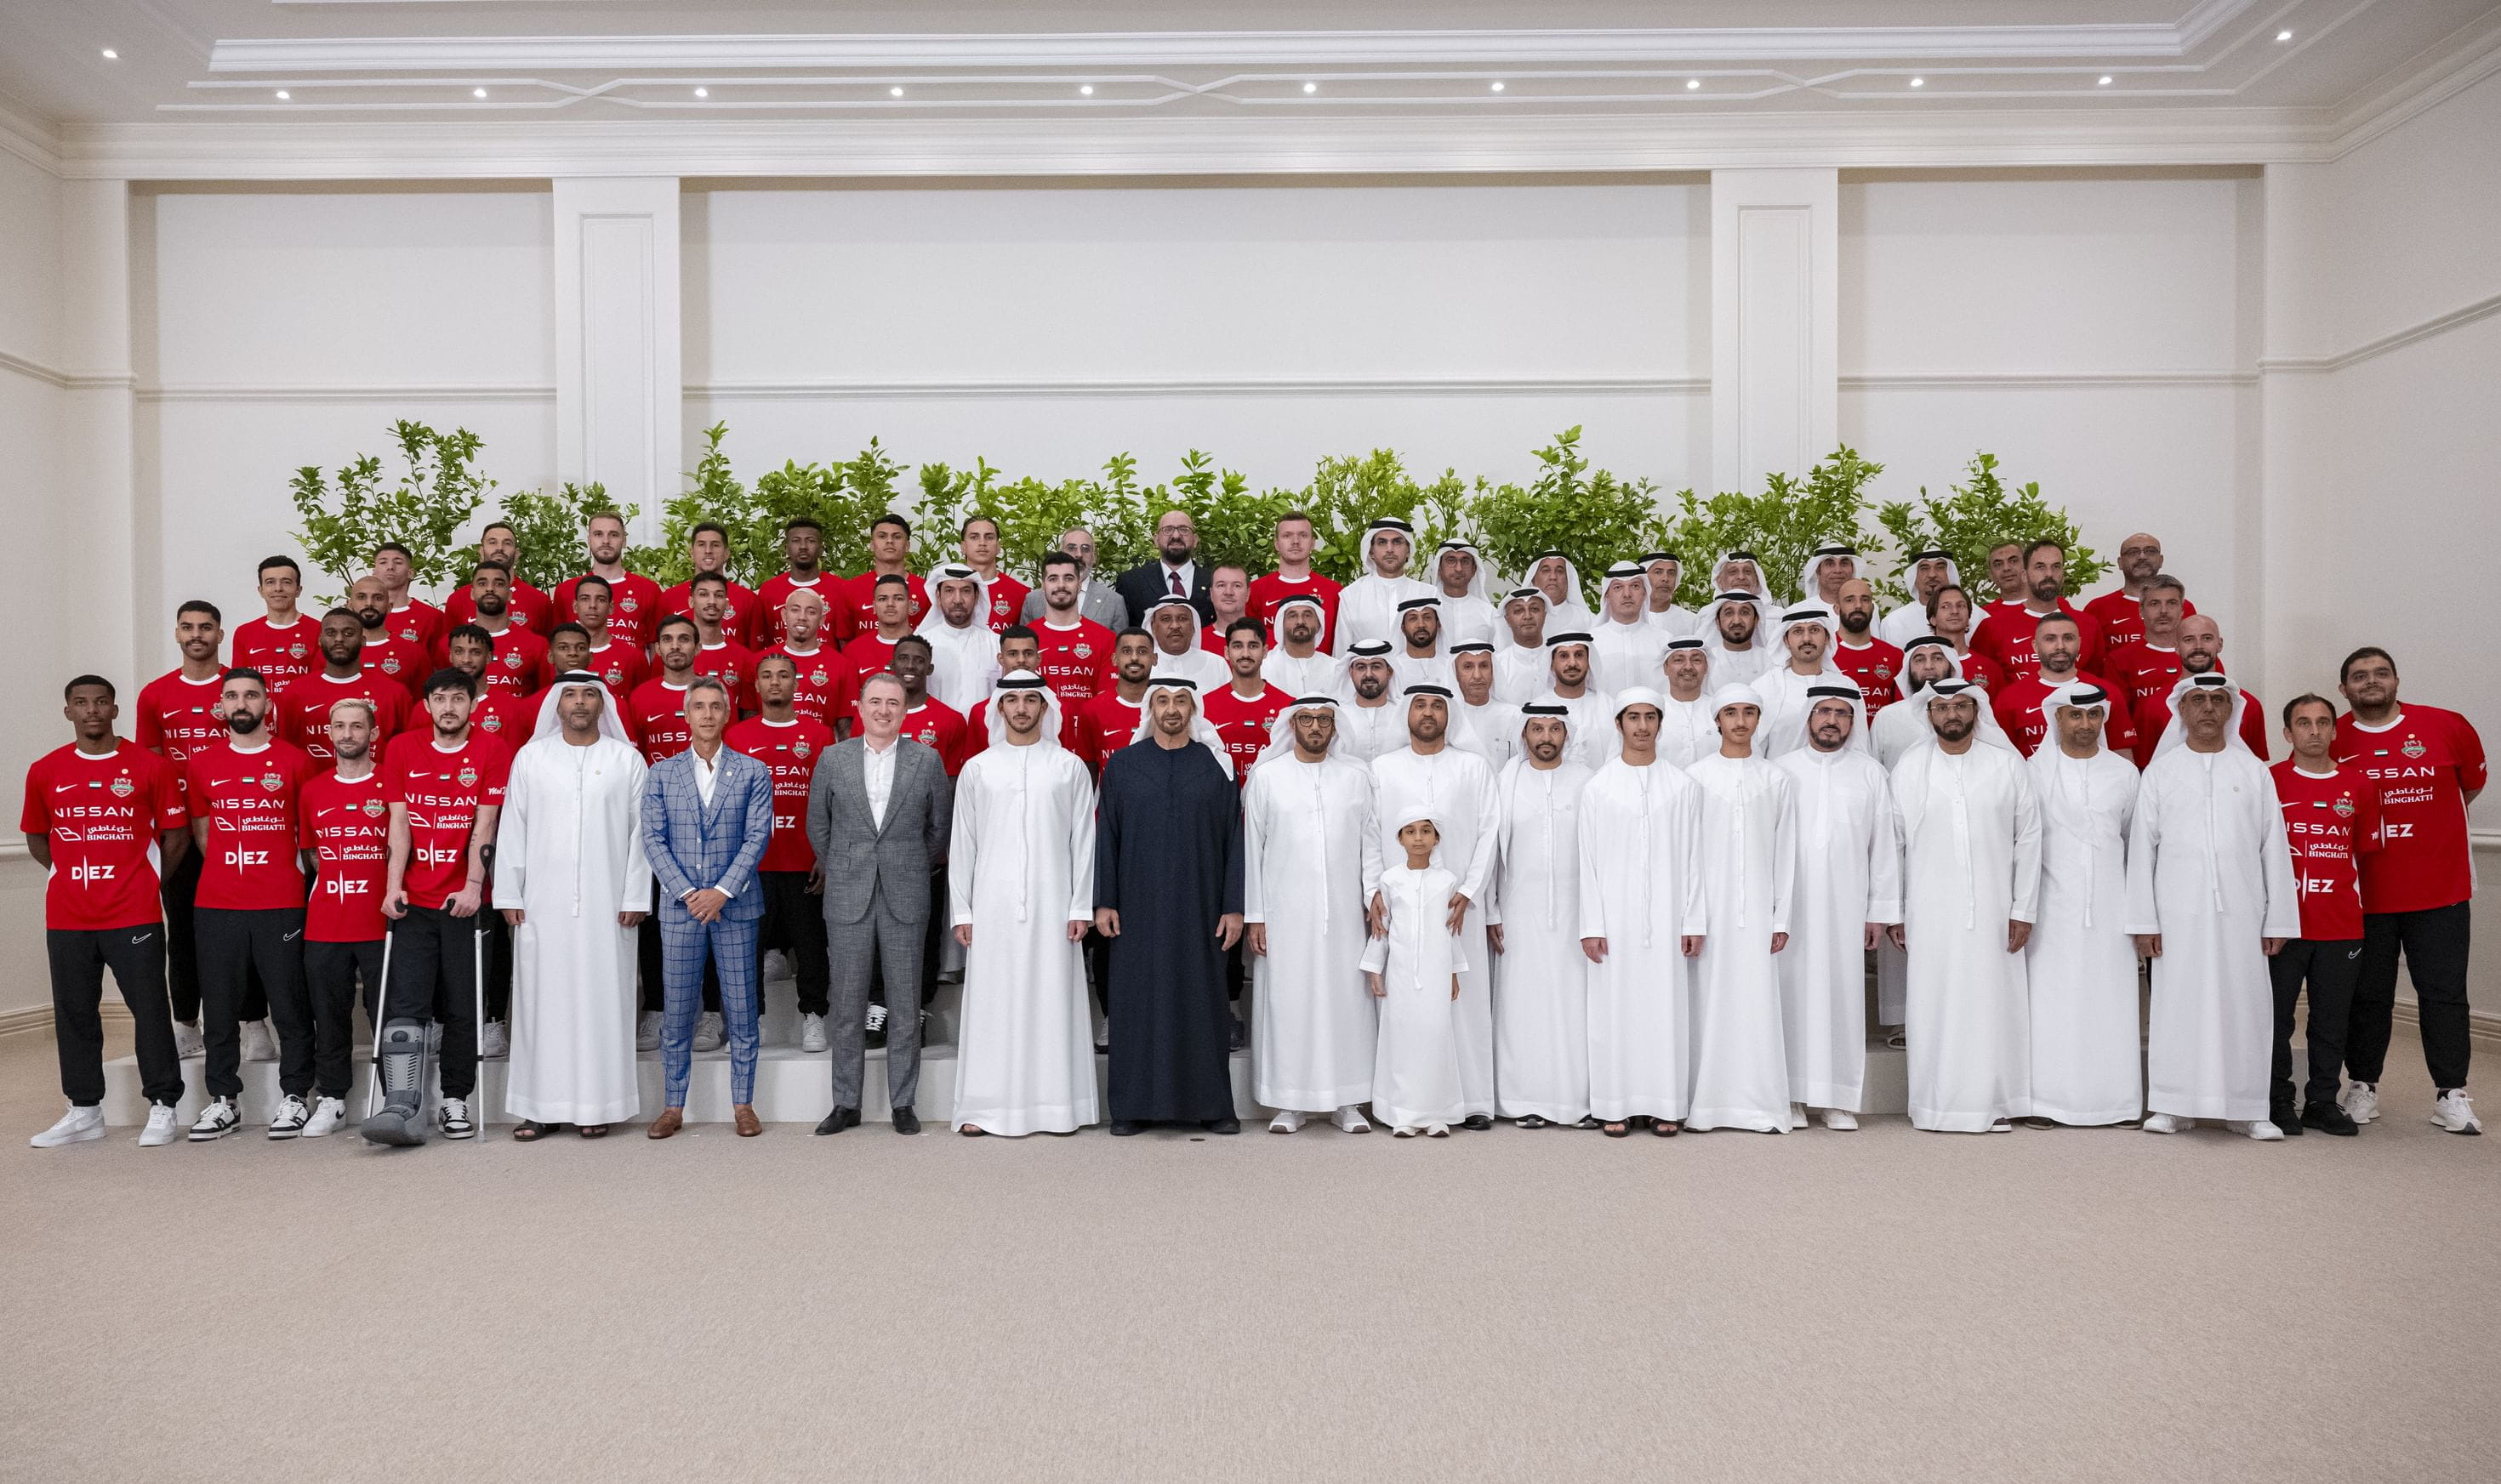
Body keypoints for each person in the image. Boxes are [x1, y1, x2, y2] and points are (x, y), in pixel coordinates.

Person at [2128, 674, 2302, 1139]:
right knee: (2175, 1005)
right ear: (2181, 711)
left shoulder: (2253, 771)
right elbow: (2142, 850)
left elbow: (2275, 849)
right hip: (2176, 915)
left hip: (2244, 915)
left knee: (2246, 1005)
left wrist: (2280, 917)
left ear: (2231, 710)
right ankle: (2172, 1104)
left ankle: (2248, 1109)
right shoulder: (2160, 772)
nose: (2207, 708)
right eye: (2197, 700)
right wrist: (2144, 920)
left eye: (2217, 700)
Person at [23, 677, 189, 1149]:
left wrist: (145, 881)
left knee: (150, 1009)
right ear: (68, 712)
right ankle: (84, 1110)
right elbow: (38, 836)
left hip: (134, 912)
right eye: (81, 703)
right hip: (69, 915)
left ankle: (163, 1105)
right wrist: (71, 874)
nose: (92, 710)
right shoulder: (45, 770)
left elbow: (175, 836)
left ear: (115, 709)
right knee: (74, 1012)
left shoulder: (150, 767)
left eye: (101, 702)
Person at [2333, 646, 2485, 1133]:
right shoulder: (2331, 735)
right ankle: (2363, 1087)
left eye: (2381, 673)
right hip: (2366, 897)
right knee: (2369, 997)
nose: (2371, 682)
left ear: (2397, 680)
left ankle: (2451, 1093)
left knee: (2443, 995)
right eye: (2359, 676)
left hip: (2440, 893)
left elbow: (2470, 786)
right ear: (2344, 689)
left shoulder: (2446, 726)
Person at [495, 674, 652, 1139]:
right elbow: (513, 829)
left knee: (604, 1001)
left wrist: (635, 895)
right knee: (540, 1005)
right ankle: (539, 1108)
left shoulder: (626, 760)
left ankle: (598, 1107)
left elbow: (641, 835)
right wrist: (509, 892)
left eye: (589, 695)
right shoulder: (531, 758)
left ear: (602, 705)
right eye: (570, 695)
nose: (580, 703)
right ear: (556, 704)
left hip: (610, 908)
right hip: (541, 906)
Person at [362, 667, 509, 1147]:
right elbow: (398, 825)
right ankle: (400, 1105)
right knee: (406, 1006)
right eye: (440, 699)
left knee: (464, 1007)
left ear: (473, 705)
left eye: (459, 699)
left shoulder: (491, 750)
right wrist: (392, 887)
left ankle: (455, 1099)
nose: (449, 707)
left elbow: (483, 826)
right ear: (426, 705)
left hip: (465, 902)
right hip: (414, 903)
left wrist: (472, 886)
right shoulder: (402, 748)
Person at [1094, 679, 1245, 1134]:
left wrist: (1234, 906)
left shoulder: (1217, 767)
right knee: (1135, 1003)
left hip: (1201, 908)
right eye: (1162, 700)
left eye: (1181, 701)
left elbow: (1233, 844)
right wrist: (1104, 902)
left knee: (1203, 1002)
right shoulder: (1122, 766)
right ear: (1150, 709)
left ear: (1193, 708)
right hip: (1135, 908)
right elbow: (1107, 839)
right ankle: (1132, 1108)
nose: (1172, 709)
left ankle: (1212, 1106)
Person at [1890, 679, 2042, 1133]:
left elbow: (2029, 839)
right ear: (1929, 714)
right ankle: (1936, 1104)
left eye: (1960, 706)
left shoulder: (2006, 765)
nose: (1952, 714)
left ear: (1976, 712)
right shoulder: (1910, 767)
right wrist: (1896, 910)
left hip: (1996, 911)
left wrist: (2023, 908)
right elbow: (1893, 845)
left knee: (1992, 1005)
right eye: (1941, 707)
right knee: (1934, 1005)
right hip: (1929, 911)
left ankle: (1994, 1102)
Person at [949, 676, 1098, 1136]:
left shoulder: (1069, 767)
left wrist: (1080, 906)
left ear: (1044, 707)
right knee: (992, 1004)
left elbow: (1083, 842)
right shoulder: (978, 768)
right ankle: (985, 1107)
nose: (1021, 708)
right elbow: (963, 845)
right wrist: (963, 911)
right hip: (991, 906)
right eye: (1011, 699)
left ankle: (1057, 1108)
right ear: (999, 708)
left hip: (1056, 905)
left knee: (1053, 1000)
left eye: (1030, 699)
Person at [807, 671, 953, 1136]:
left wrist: (907, 864)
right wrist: (846, 864)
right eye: (876, 702)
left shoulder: (926, 760)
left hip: (906, 891)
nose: (884, 710)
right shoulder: (833, 758)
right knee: (847, 1004)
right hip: (848, 893)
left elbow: (938, 830)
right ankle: (845, 1103)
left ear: (904, 710)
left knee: (905, 1004)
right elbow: (818, 826)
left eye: (893, 703)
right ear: (860, 706)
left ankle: (903, 1103)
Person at [180, 668, 320, 1140]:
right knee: (219, 1009)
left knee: (290, 1004)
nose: (242, 703)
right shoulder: (201, 764)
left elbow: (309, 839)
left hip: (281, 902)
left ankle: (297, 1095)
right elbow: (203, 834)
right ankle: (223, 1100)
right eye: (233, 696)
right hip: (218, 903)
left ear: (268, 704)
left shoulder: (296, 762)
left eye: (252, 695)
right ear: (221, 706)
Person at [639, 677, 773, 1140]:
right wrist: (689, 893)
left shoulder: (754, 772)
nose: (708, 714)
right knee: (677, 1012)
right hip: (680, 910)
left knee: (741, 1010)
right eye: (699, 706)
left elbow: (757, 838)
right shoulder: (661, 774)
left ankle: (744, 1104)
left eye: (716, 706)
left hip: (736, 907)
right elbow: (653, 841)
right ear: (687, 714)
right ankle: (673, 1106)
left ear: (727, 712)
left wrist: (721, 892)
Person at [1365, 685, 1502, 1127]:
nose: (1428, 713)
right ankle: (1403, 1102)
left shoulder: (1474, 767)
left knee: (1464, 999)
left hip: (1459, 906)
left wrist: (1471, 891)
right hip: (1400, 906)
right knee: (1407, 1008)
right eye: (1420, 705)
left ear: (1450, 714)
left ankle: (1474, 1102)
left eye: (1437, 706)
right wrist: (1373, 892)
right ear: (1406, 713)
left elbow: (1489, 833)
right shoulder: (1383, 769)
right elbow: (1370, 835)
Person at [1241, 697, 1377, 1132]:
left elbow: (1370, 843)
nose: (1315, 727)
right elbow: (1252, 851)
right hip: (1285, 915)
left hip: (1344, 917)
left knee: (1347, 1001)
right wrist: (1256, 915)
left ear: (1335, 729)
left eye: (1323, 720)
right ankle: (1289, 1102)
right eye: (1306, 719)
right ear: (1292, 725)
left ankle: (1348, 1101)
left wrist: (1372, 894)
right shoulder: (1267, 777)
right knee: (1288, 1000)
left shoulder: (1357, 777)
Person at [1576, 688, 1707, 1136]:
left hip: (1669, 919)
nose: (1642, 726)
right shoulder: (1598, 787)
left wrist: (1693, 919)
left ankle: (1665, 1104)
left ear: (1659, 724)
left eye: (1651, 717)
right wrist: (1592, 924)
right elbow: (1587, 862)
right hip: (1614, 920)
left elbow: (1694, 860)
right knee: (1614, 1010)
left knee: (1665, 1010)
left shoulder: (1682, 785)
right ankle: (1615, 1104)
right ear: (1618, 725)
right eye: (1633, 717)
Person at [1774, 686, 1901, 1129]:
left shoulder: (1871, 774)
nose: (1832, 720)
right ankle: (1788, 1094)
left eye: (1842, 713)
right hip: (1790, 908)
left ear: (1854, 721)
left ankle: (1836, 1098)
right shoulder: (1781, 771)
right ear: (1809, 717)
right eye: (1824, 711)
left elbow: (1884, 847)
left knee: (1842, 995)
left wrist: (1879, 911)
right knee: (1788, 994)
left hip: (1848, 904)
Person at [2022, 683, 2145, 1128]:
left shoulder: (2124, 774)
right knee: (2052, 1004)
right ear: (2057, 719)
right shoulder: (2033, 772)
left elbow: (2135, 845)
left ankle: (2116, 1104)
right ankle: (2048, 1103)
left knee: (2111, 1003)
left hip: (2112, 910)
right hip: (2052, 911)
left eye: (2094, 715)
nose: (2085, 724)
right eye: (2075, 716)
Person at [1684, 689, 1800, 1134]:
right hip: (1708, 914)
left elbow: (1785, 854)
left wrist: (1781, 917)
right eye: (1730, 712)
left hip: (1757, 913)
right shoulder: (1694, 777)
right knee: (1708, 1004)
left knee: (1755, 1002)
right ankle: (1707, 1105)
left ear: (1759, 720)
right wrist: (1691, 916)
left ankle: (1759, 1104)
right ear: (1717, 721)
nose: (1739, 721)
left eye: (1749, 712)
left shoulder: (1775, 779)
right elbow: (1689, 855)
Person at [2270, 694, 2380, 1137]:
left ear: (2335, 730)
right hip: (2282, 924)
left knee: (2332, 1018)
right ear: (2287, 733)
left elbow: (2365, 851)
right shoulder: (2269, 781)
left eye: (2322, 723)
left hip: (2340, 924)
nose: (2314, 731)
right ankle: (2278, 1099)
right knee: (2276, 1018)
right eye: (2303, 723)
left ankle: (2321, 1100)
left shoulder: (2359, 785)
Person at [138, 599, 238, 1057]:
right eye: (187, 627)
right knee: (181, 931)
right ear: (177, 635)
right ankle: (185, 1022)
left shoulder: (240, 688)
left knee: (244, 928)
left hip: (238, 826)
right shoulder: (155, 695)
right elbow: (150, 766)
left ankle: (253, 1021)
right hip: (178, 831)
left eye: (206, 627)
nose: (197, 634)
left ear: (221, 634)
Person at [726, 654, 838, 1052]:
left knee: (810, 945)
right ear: (755, 685)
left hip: (804, 863)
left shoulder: (821, 735)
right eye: (767, 676)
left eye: (784, 675)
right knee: (746, 948)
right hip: (752, 865)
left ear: (797, 683)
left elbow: (831, 801)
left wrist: (825, 854)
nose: (775, 682)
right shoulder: (736, 736)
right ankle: (747, 1021)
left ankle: (814, 1016)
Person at [296, 697, 393, 1140]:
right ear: (330, 734)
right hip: (326, 923)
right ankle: (332, 1099)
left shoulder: (391, 785)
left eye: (357, 726)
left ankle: (397, 1099)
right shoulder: (313, 790)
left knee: (387, 1014)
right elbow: (313, 855)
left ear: (373, 734)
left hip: (379, 922)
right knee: (329, 1014)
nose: (348, 734)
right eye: (340, 726)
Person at [1491, 703, 1592, 1127]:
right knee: (1521, 1004)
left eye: (1554, 728)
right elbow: (1491, 852)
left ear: (1567, 735)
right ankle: (1521, 1100)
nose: (1546, 736)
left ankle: (1577, 1101)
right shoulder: (1506, 780)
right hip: (1518, 909)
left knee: (1575, 1004)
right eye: (1537, 728)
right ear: (1524, 734)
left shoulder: (1587, 780)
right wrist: (1492, 909)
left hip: (1576, 911)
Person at [1363, 808, 1469, 1137]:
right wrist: (1374, 967)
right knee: (1403, 1038)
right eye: (1410, 831)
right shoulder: (1390, 880)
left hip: (1436, 972)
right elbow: (1382, 929)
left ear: (1436, 839)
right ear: (1400, 839)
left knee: (1436, 1035)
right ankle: (1403, 1115)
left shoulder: (1448, 880)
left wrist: (1454, 971)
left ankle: (1437, 1113)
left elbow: (1450, 931)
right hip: (1401, 973)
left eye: (1426, 831)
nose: (1419, 838)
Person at [1991, 613, 2134, 760]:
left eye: (2068, 638)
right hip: (2033, 781)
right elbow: (2002, 757)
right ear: (2035, 646)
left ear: (2079, 643)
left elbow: (2122, 754)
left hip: (2095, 780)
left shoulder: (2106, 692)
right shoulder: (2009, 698)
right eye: (2050, 639)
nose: (2060, 646)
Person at [2131, 615, 2267, 764]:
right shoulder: (2151, 706)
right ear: (2176, 647)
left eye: (2207, 638)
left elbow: (2256, 768)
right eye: (2189, 640)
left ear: (2220, 644)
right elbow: (2144, 767)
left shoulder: (2250, 706)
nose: (2198, 646)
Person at [282, 608, 411, 761]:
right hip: (312, 784)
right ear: (320, 639)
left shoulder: (394, 693)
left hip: (376, 783)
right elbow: (286, 754)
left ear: (363, 641)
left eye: (348, 633)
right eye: (331, 633)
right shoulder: (294, 693)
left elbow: (404, 754)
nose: (339, 639)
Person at [1970, 540, 2105, 682]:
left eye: (2056, 567)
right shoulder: (1992, 627)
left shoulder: (2088, 624)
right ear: (2024, 574)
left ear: (2063, 574)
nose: (2049, 574)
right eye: (2040, 567)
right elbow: (1985, 682)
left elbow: (2096, 681)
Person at [1748, 606, 1860, 759]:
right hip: (1780, 779)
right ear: (1786, 640)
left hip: (1836, 779)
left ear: (1827, 638)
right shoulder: (1764, 687)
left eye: (1814, 630)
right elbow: (1752, 746)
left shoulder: (1846, 686)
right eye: (1798, 631)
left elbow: (1858, 744)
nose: (1807, 639)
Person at [555, 512, 664, 651]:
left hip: (631, 672)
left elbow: (656, 647)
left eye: (613, 534)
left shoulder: (648, 590)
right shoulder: (566, 591)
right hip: (580, 672)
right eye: (598, 534)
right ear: (589, 540)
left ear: (624, 541)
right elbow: (556, 645)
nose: (606, 541)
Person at [1203, 618, 1290, 786]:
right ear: (1227, 652)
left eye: (1253, 646)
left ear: (1265, 651)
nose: (1245, 654)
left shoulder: (1286, 706)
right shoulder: (1205, 705)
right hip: (1222, 804)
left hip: (1270, 801)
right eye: (1237, 646)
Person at [1029, 551, 1119, 709]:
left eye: (1068, 578)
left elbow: (1107, 702)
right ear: (1043, 586)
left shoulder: (1106, 639)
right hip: (1039, 733)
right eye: (1053, 579)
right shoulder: (1027, 638)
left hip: (1086, 732)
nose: (1061, 585)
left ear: (1079, 585)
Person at [2082, 532, 2194, 658]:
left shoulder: (2184, 607)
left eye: (2150, 551)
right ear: (2120, 562)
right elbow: (2088, 660)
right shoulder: (2098, 608)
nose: (2142, 557)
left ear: (2161, 560)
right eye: (2133, 552)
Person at [1247, 511, 1342, 652]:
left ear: (1312, 543)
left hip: (1322, 673)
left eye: (1303, 535)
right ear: (1277, 544)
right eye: (1287, 536)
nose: (1296, 541)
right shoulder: (1255, 590)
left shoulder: (1334, 591)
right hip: (1271, 674)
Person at [453, 562, 553, 697]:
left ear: (510, 594)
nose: (490, 589)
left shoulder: (537, 645)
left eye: (499, 584)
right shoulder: (450, 645)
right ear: (472, 593)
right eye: (482, 583)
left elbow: (545, 698)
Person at [1335, 516, 1433, 652]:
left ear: (1408, 551)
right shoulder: (1351, 595)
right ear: (1371, 552)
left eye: (1397, 542)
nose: (1390, 549)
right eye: (1382, 542)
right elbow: (1343, 651)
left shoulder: (1429, 594)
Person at [661, 522, 766, 648]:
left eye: (715, 545)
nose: (708, 551)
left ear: (727, 553)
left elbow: (755, 654)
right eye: (701, 545)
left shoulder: (748, 599)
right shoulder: (669, 598)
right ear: (691, 553)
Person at [917, 562, 1004, 713]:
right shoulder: (920, 645)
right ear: (938, 596)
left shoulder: (996, 644)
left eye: (966, 591)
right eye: (949, 591)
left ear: (977, 596)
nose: (958, 600)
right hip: (935, 733)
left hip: (982, 734)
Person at [229, 555, 317, 698]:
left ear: (298, 590)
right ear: (261, 590)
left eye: (286, 582)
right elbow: (239, 685)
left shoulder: (318, 630)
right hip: (259, 719)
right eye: (270, 582)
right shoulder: (244, 633)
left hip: (302, 717)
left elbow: (319, 683)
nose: (278, 589)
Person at [446, 521, 555, 635]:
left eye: (507, 543)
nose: (499, 548)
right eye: (492, 542)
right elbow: (447, 648)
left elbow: (548, 649)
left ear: (517, 554)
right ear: (481, 551)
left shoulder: (539, 601)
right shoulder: (458, 600)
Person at [1072, 628, 1156, 776]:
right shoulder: (1093, 710)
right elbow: (1088, 771)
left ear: (1154, 659)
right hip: (1110, 798)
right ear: (1114, 659)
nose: (1134, 658)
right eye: (1126, 651)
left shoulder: (1166, 707)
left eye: (1142, 652)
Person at [757, 588, 844, 728]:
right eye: (795, 610)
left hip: (822, 748)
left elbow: (845, 727)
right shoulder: (759, 662)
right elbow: (750, 720)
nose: (802, 617)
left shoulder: (842, 664)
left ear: (822, 620)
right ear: (784, 615)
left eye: (811, 612)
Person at [2105, 574, 2189, 719]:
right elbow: (2117, 717)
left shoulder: (2201, 657)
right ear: (2141, 611)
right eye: (2154, 604)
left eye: (2171, 603)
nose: (2164, 611)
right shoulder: (2119, 661)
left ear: (2182, 610)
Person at [1017, 526, 1128, 632]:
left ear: (1094, 557)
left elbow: (1120, 648)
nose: (1079, 555)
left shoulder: (1113, 601)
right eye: (1071, 548)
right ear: (1060, 553)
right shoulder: (1033, 600)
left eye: (1085, 549)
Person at [1113, 509, 1215, 624]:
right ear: (1156, 540)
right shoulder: (1130, 582)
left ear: (1195, 540)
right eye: (1168, 529)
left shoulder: (1214, 580)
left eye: (1184, 530)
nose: (1176, 535)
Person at [842, 515, 931, 637]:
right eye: (882, 536)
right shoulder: (851, 589)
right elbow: (845, 640)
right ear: (872, 545)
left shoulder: (927, 589)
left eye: (897, 537)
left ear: (907, 546)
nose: (890, 541)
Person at [1537, 633, 1615, 770]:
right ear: (1551, 664)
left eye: (1579, 655)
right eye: (1563, 656)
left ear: (1589, 662)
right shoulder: (1538, 709)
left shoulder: (1610, 706)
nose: (1572, 663)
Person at [347, 576, 431, 702]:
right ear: (349, 605)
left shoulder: (414, 653)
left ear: (389, 607)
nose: (369, 603)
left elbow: (423, 705)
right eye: (361, 597)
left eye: (378, 598)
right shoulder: (332, 651)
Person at [684, 572, 758, 715]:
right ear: (691, 602)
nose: (711, 601)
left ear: (727, 604)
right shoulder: (675, 653)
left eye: (718, 595)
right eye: (704, 595)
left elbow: (749, 715)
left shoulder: (744, 657)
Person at [1591, 562, 1667, 695]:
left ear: (1644, 593)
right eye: (1618, 587)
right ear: (1607, 595)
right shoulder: (1591, 643)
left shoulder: (1664, 641)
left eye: (1635, 586)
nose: (1627, 594)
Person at [757, 517, 836, 646]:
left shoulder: (840, 588)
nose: (803, 547)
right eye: (796, 541)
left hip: (826, 665)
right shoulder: (769, 590)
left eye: (810, 541)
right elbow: (762, 641)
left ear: (821, 549)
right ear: (786, 549)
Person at [1830, 579, 1903, 714]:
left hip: (1883, 735)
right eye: (1849, 600)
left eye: (1865, 600)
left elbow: (1901, 711)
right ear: (1837, 608)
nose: (1858, 606)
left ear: (1872, 607)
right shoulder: (1824, 652)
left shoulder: (1895, 656)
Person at [1329, 640, 1408, 765]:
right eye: (1361, 668)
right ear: (1351, 672)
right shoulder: (1338, 715)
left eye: (1376, 666)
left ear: (1390, 671)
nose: (1369, 674)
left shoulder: (1404, 714)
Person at [569, 577, 646, 704]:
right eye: (585, 599)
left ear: (611, 608)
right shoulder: (560, 656)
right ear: (575, 606)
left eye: (601, 599)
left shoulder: (633, 657)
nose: (593, 605)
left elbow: (640, 705)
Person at [841, 572, 920, 688]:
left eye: (898, 598)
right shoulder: (853, 651)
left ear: (910, 606)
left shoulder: (927, 646)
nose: (890, 604)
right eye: (883, 599)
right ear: (873, 607)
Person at [956, 516, 1030, 634]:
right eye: (974, 537)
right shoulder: (947, 590)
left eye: (989, 537)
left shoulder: (1021, 593)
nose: (982, 543)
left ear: (998, 547)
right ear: (963, 547)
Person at [371, 541, 447, 654]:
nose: (390, 567)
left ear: (410, 573)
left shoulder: (432, 617)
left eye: (398, 562)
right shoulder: (361, 615)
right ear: (374, 572)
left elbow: (443, 665)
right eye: (383, 562)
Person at [1450, 644, 1519, 769]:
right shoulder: (1448, 717)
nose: (1477, 675)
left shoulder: (1514, 716)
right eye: (1468, 667)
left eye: (1483, 666)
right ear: (1456, 674)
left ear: (1493, 671)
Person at [1654, 638, 1719, 768]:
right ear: (1665, 668)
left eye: (1696, 660)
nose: (1688, 667)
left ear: (1706, 667)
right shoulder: (1652, 711)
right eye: (1679, 660)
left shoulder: (1721, 710)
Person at [1878, 549, 1959, 648]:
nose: (1932, 575)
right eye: (1924, 568)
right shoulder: (1893, 622)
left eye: (1940, 567)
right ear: (1914, 577)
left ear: (1951, 573)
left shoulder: (1975, 616)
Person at [1143, 593, 1226, 691]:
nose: (1175, 626)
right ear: (1153, 627)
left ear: (1194, 626)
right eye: (1166, 619)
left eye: (1182, 619)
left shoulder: (1217, 664)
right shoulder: (1143, 666)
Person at [1261, 595, 1335, 697]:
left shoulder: (1335, 668)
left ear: (1318, 624)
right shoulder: (1264, 667)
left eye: (1307, 616)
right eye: (1292, 616)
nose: (1300, 622)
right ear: (1281, 624)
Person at [1697, 589, 1775, 687]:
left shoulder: (1771, 660)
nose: (1737, 621)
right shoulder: (1705, 662)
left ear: (1756, 620)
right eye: (1729, 613)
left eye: (1745, 613)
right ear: (1717, 622)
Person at [1431, 541, 1499, 648]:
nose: (1459, 568)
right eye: (1451, 561)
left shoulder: (1489, 614)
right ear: (1439, 569)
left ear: (1473, 570)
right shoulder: (1427, 611)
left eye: (1465, 561)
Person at [1491, 588, 1552, 702]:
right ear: (1507, 620)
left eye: (1534, 609)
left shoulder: (1559, 659)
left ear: (1544, 615)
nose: (1527, 616)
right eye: (1519, 611)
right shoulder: (1498, 665)